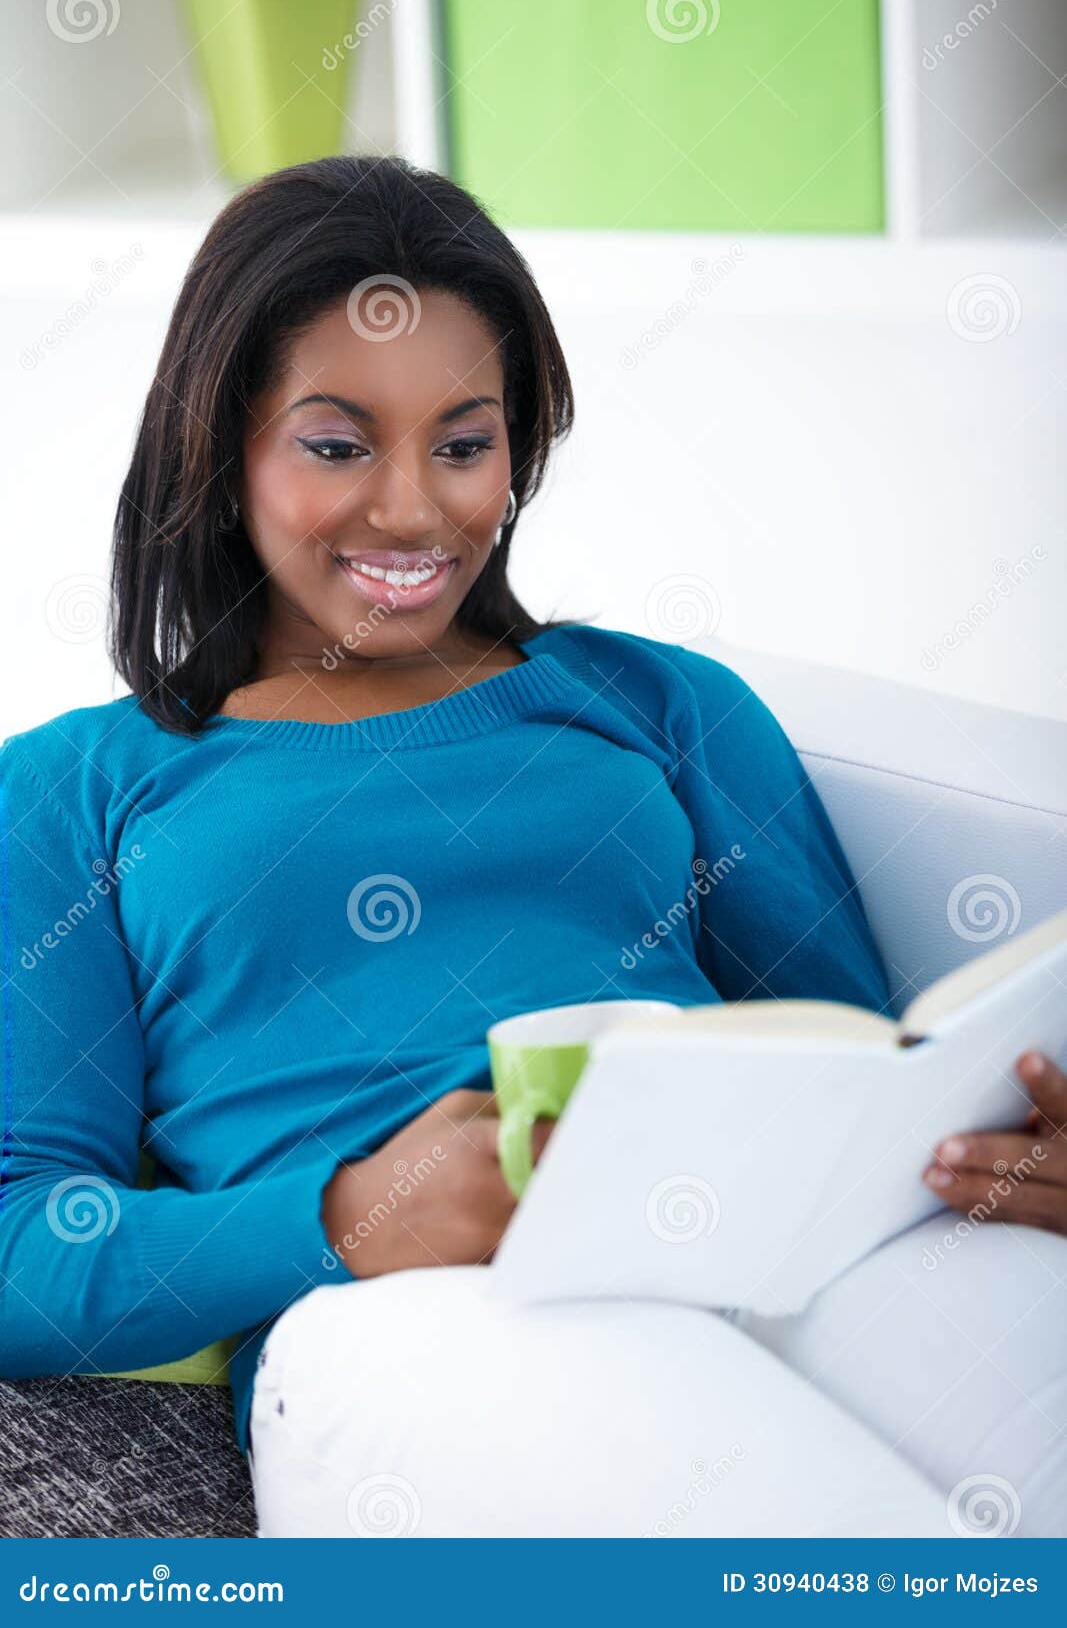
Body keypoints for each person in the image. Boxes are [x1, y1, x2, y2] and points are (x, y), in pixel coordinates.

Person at [1, 157, 1063, 1539]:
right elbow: (23, 1243)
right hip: (408, 1312)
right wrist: (347, 1212)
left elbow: (863, 1053)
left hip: (781, 1240)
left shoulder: (657, 701)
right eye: (336, 445)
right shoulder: (78, 786)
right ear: (221, 453)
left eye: (464, 443)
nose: (412, 510)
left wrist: (999, 1153)